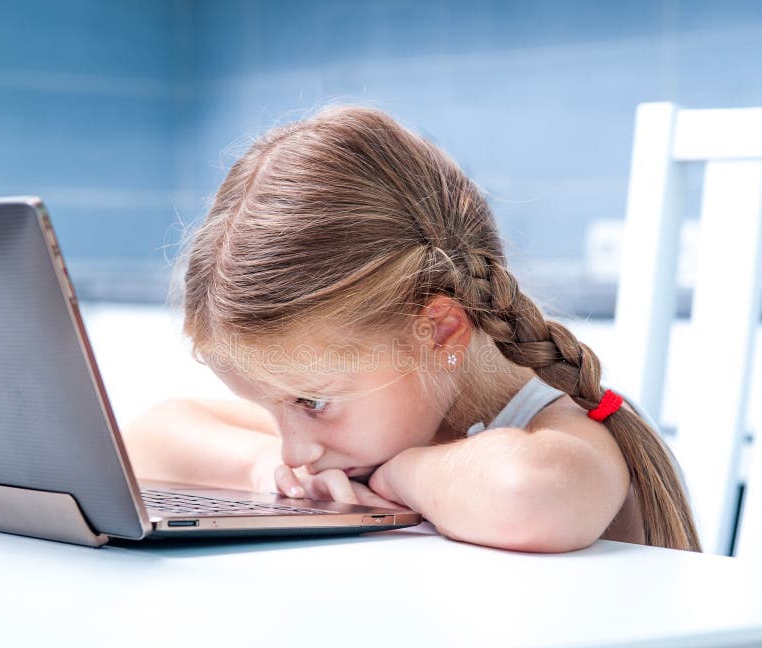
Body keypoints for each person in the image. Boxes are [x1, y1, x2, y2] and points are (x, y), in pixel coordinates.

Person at [123, 104, 702, 555]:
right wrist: (268, 471)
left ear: (440, 331)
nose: (296, 446)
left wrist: (404, 476)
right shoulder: (368, 419)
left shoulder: (561, 426)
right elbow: (150, 434)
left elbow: (530, 495)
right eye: (277, 411)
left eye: (311, 402)